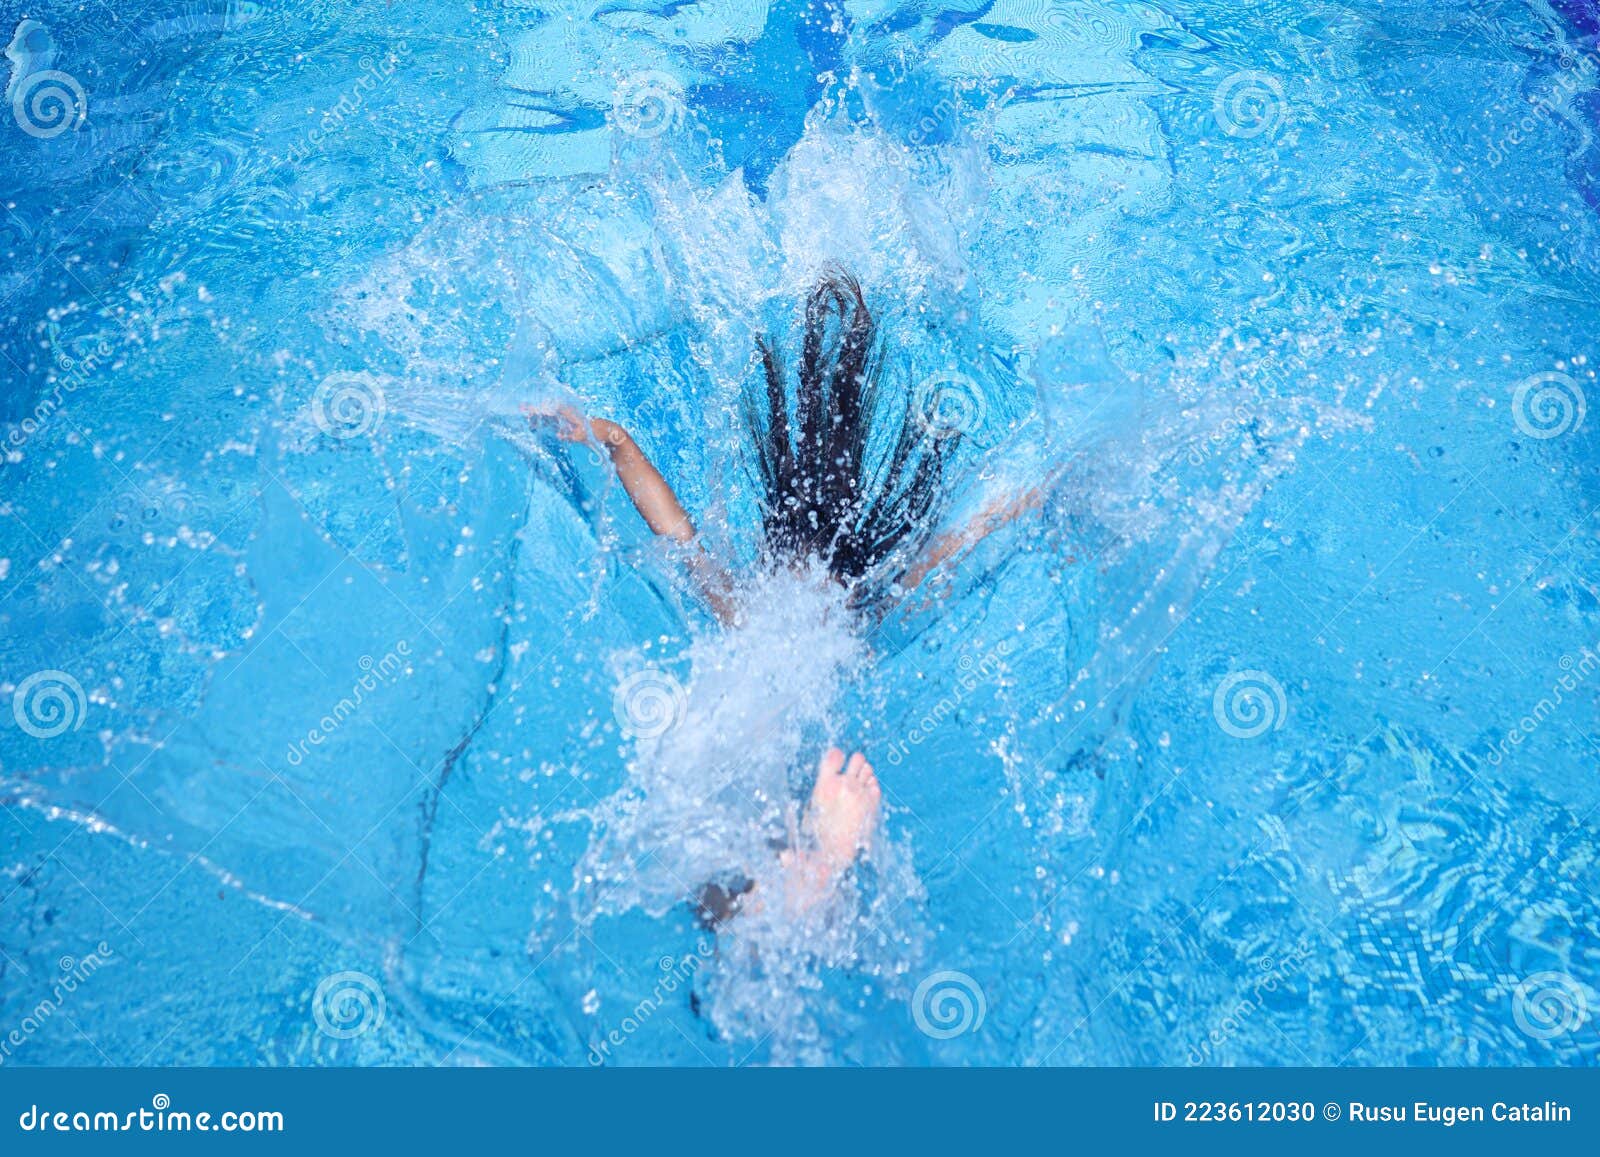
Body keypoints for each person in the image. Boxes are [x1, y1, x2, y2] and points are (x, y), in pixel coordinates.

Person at [529, 272, 1044, 921]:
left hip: (726, 791)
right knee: (735, 898)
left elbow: (676, 532)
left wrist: (613, 438)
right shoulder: (857, 623)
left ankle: (820, 863)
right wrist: (610, 438)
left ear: (768, 551)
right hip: (758, 797)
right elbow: (957, 543)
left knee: (720, 893)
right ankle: (824, 862)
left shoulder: (750, 611)